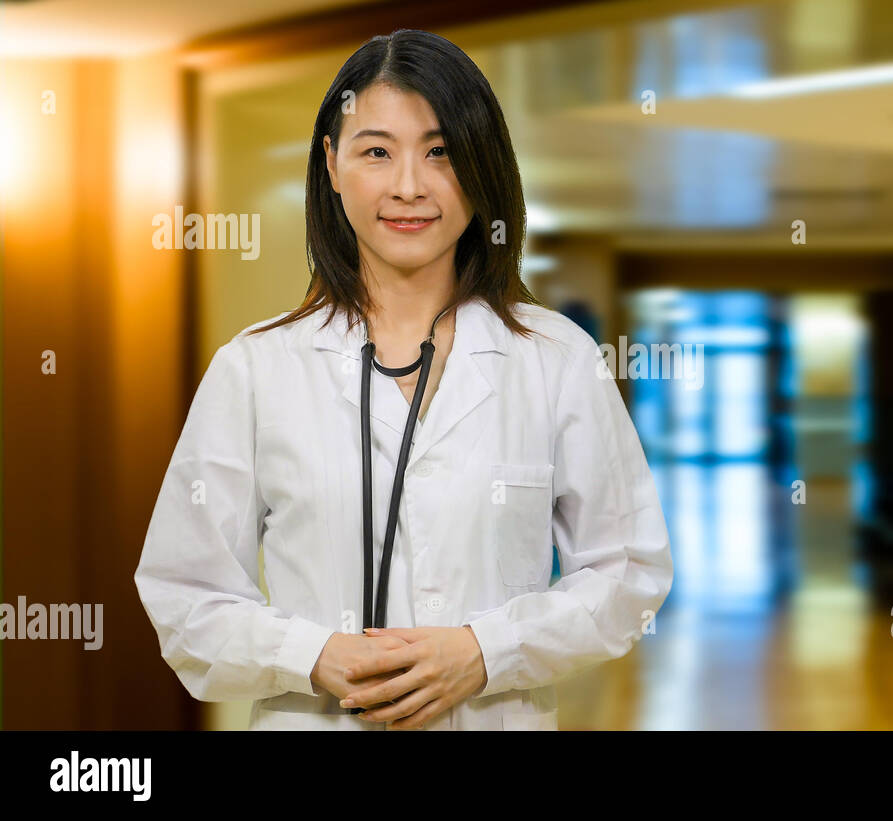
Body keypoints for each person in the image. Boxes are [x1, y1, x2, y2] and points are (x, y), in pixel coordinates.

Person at [134, 29, 673, 731]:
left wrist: (487, 651)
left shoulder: (556, 360)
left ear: (483, 167)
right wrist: (312, 653)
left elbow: (628, 571)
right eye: (377, 151)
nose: (410, 186)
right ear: (331, 164)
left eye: (442, 152)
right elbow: (185, 596)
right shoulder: (255, 369)